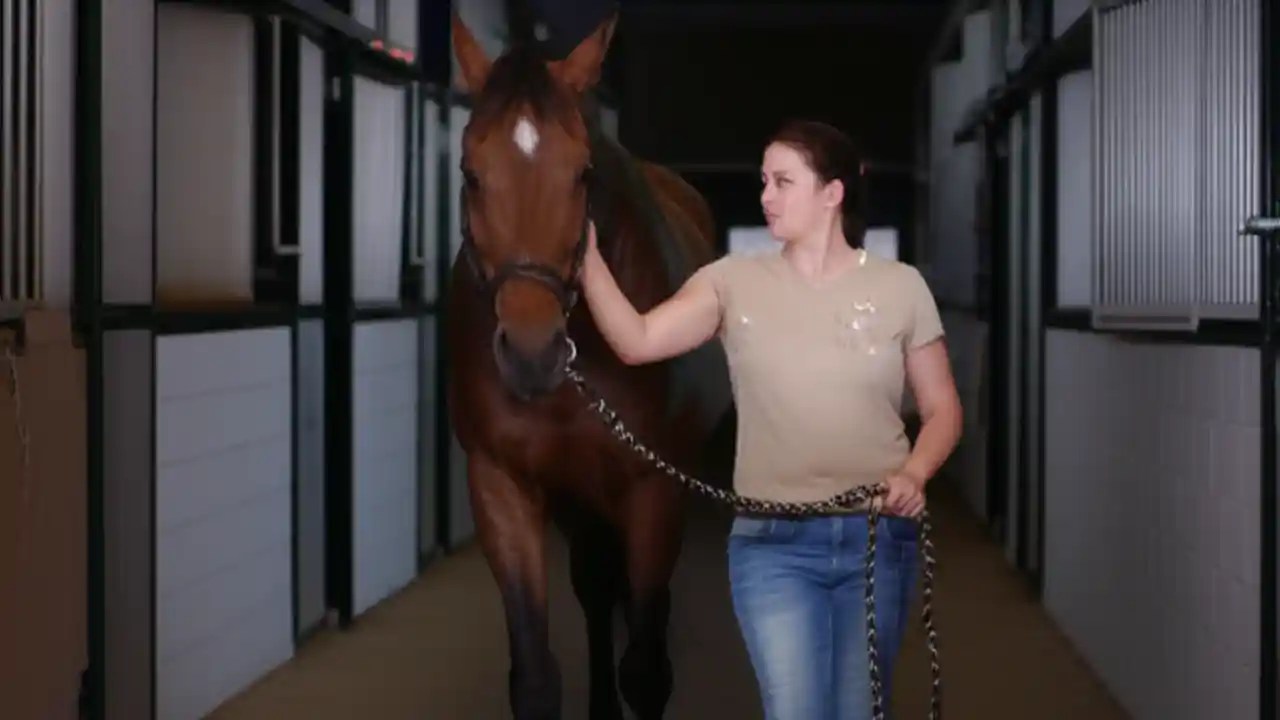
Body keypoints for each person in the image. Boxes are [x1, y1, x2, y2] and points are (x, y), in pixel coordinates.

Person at [577, 119, 963, 719]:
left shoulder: (901, 287)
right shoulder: (731, 282)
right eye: (763, 181)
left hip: (875, 538)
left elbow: (942, 410)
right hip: (772, 545)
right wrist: (588, 259)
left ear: (831, 194)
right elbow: (638, 339)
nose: (765, 196)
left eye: (783, 182)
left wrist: (915, 473)